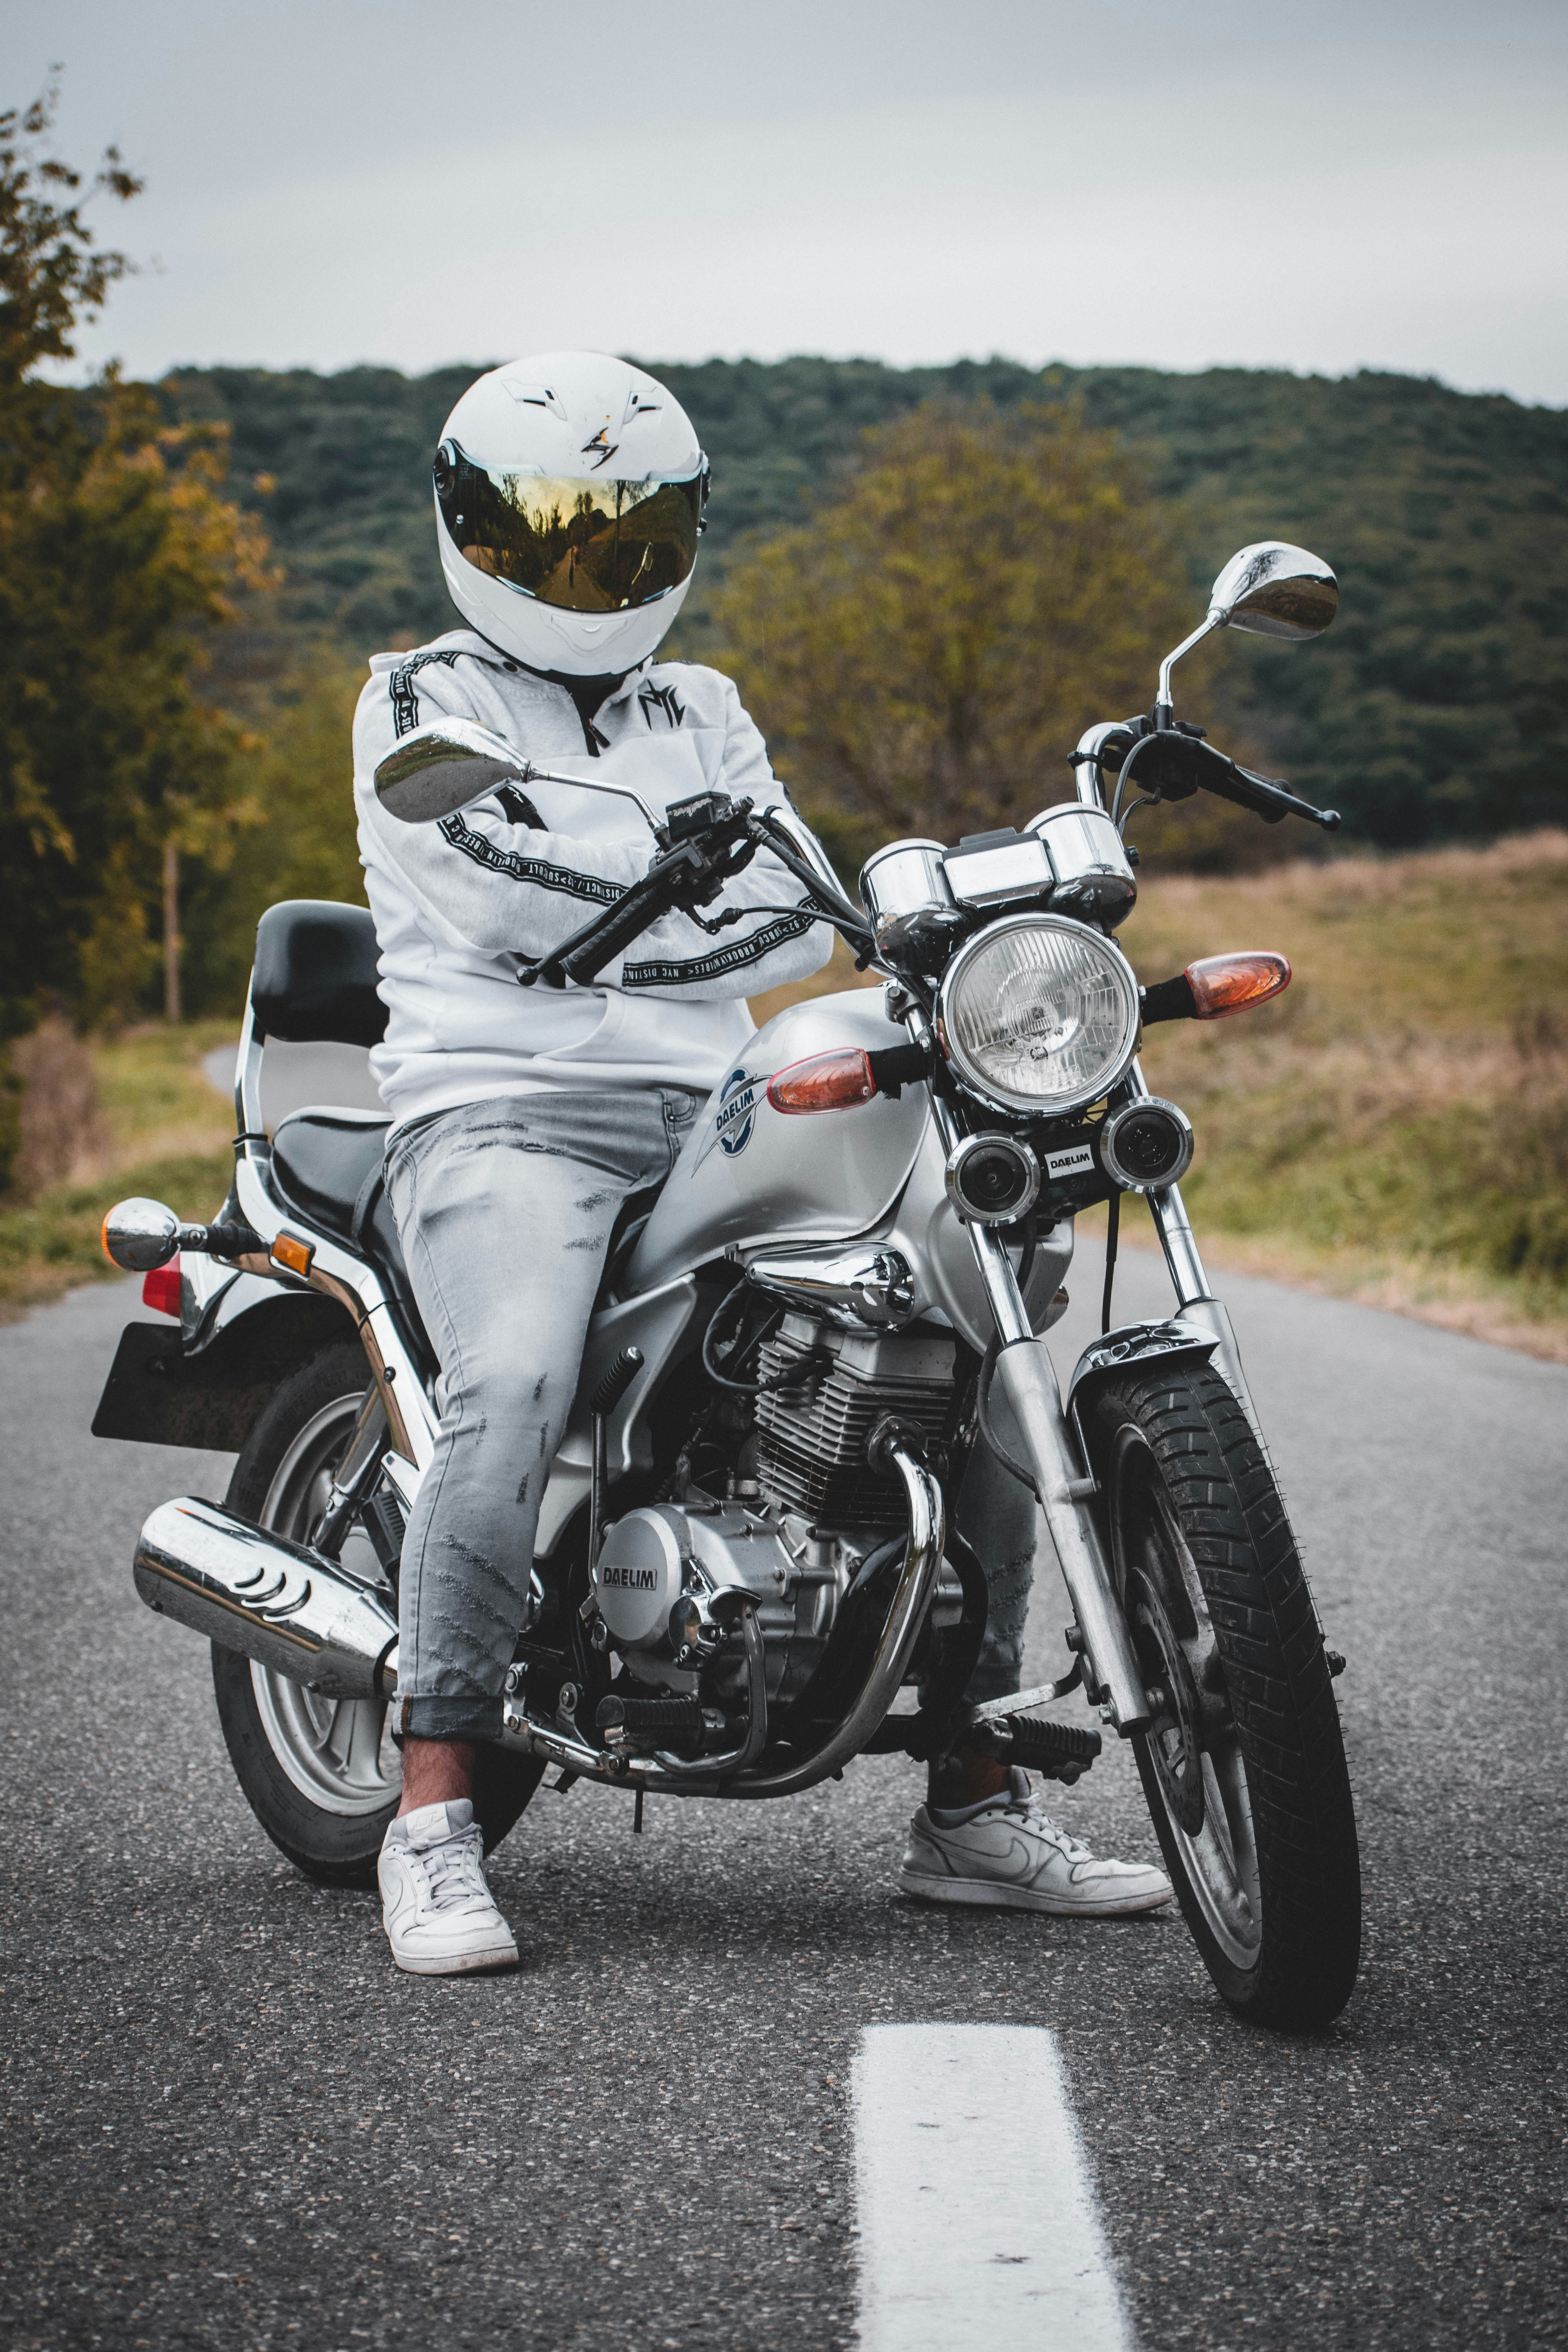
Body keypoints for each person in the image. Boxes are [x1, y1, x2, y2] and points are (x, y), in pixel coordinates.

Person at [354, 351, 1172, 1974]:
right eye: (558, 536)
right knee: (511, 1380)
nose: (598, 572)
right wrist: (683, 898)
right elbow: (511, 903)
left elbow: (801, 900)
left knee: (964, 1331)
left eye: (632, 537)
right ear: (474, 530)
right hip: (501, 1112)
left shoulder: (700, 706)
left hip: (710, 1103)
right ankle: (433, 1811)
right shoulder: (415, 702)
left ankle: (970, 1798)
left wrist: (712, 910)